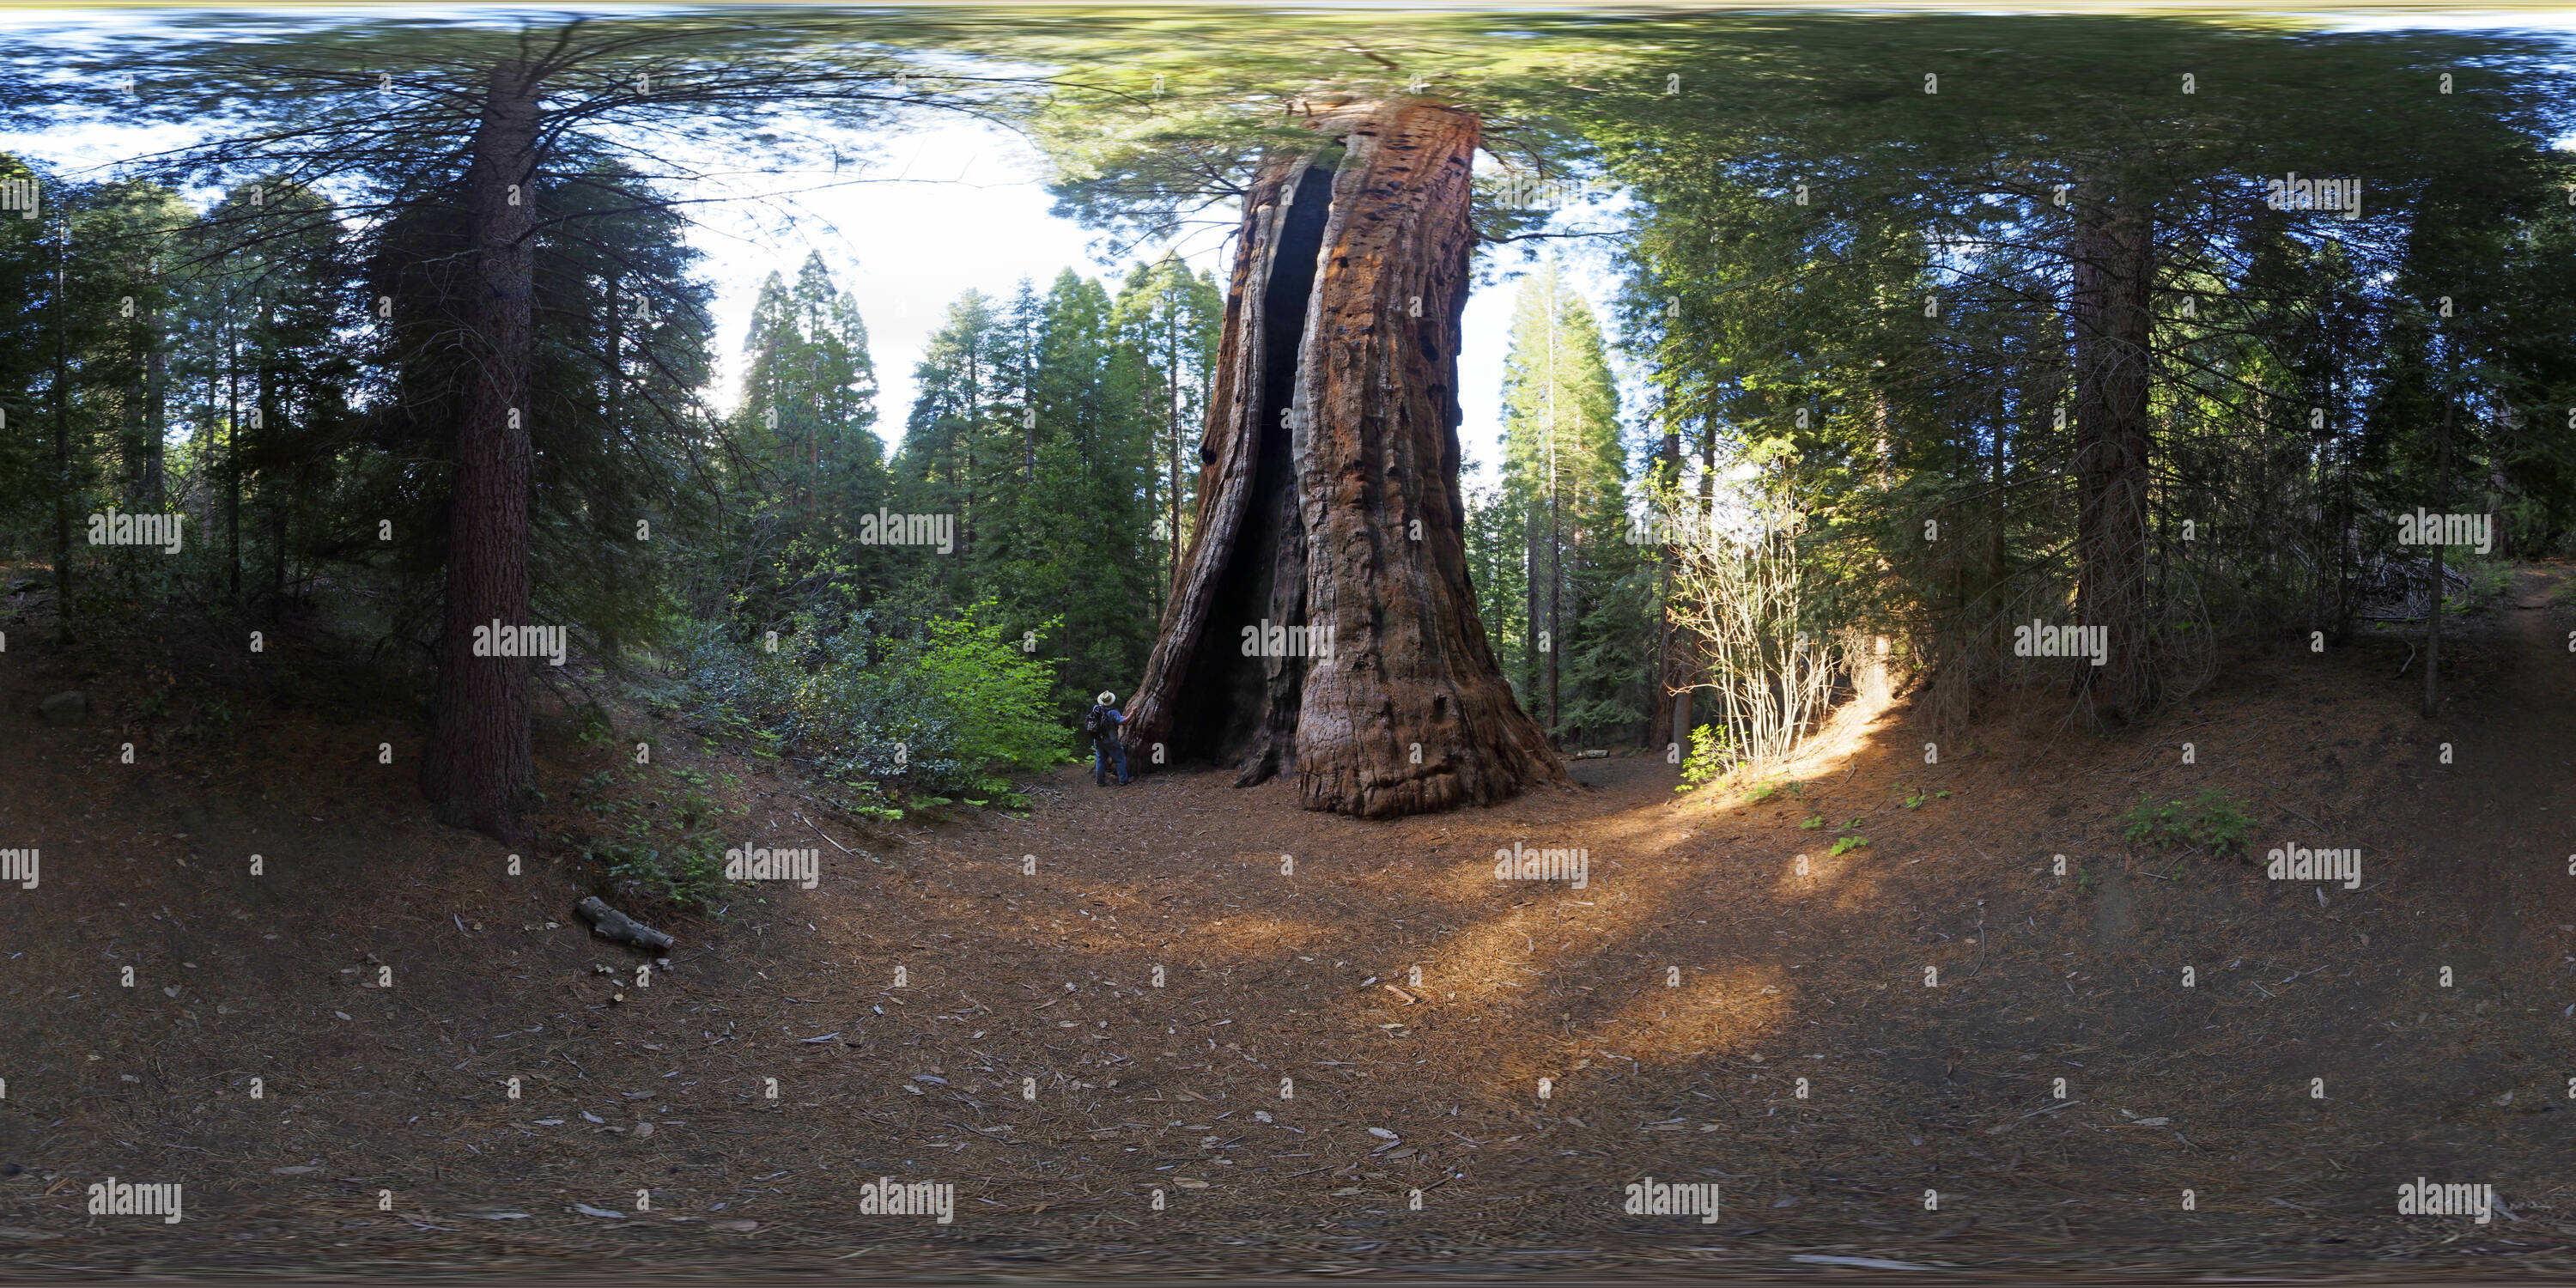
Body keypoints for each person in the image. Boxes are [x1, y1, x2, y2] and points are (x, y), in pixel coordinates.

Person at [1084, 690, 1129, 787]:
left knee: (1100, 760)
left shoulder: (1096, 708)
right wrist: (1132, 713)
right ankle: (1123, 780)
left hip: (1098, 739)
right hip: (1111, 740)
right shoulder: (1113, 712)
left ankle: (1100, 781)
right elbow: (1123, 722)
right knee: (1120, 759)